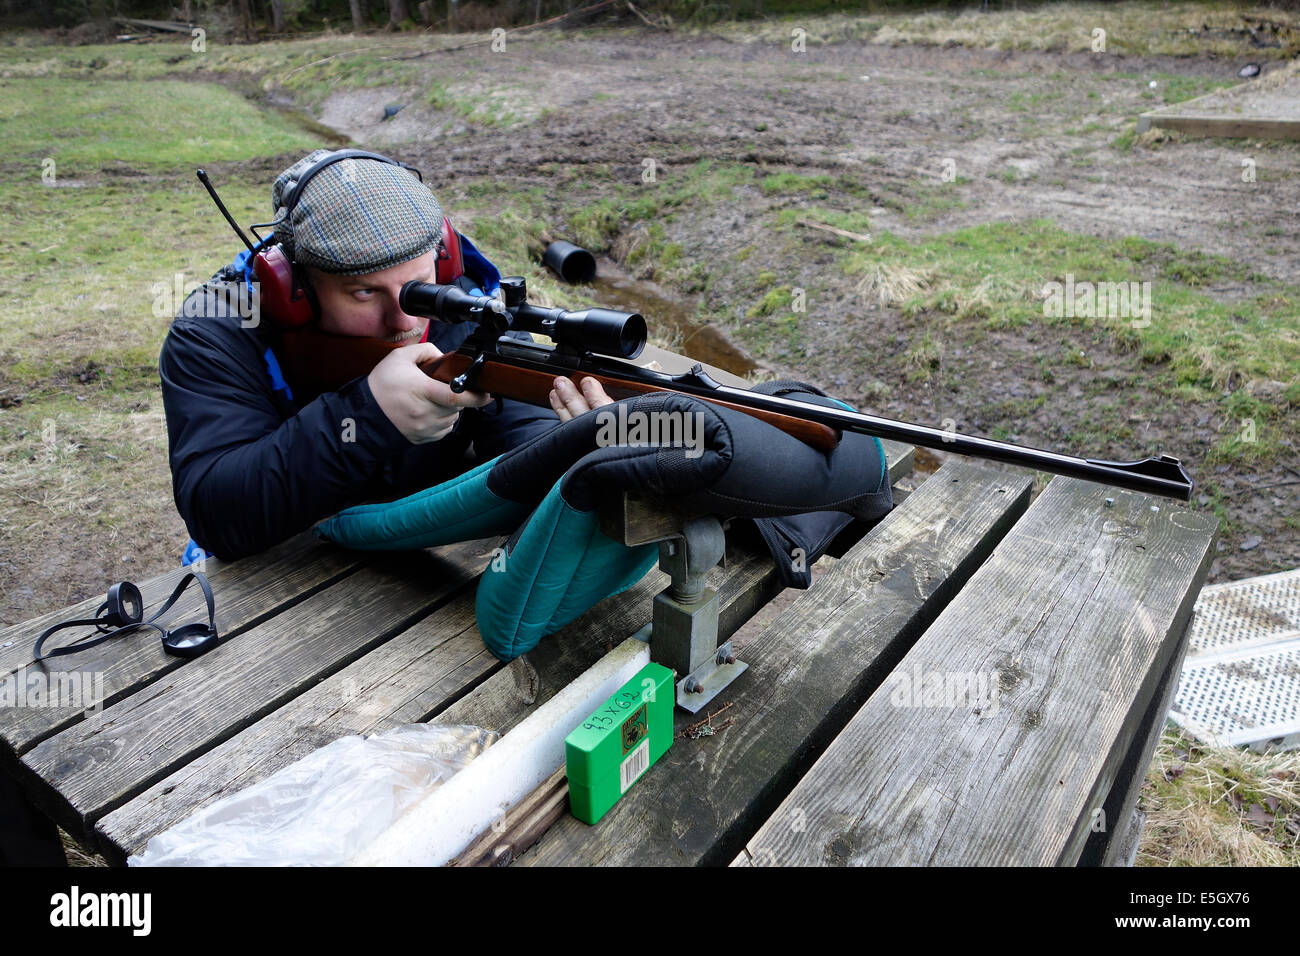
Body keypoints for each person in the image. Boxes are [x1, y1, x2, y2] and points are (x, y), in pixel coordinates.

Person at [160, 149, 612, 563]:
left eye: (419, 286)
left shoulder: (463, 300)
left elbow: (521, 433)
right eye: (363, 292)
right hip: (277, 566)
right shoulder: (215, 330)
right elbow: (219, 517)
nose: (403, 320)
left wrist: (572, 451)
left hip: (421, 553)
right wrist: (367, 418)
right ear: (293, 290)